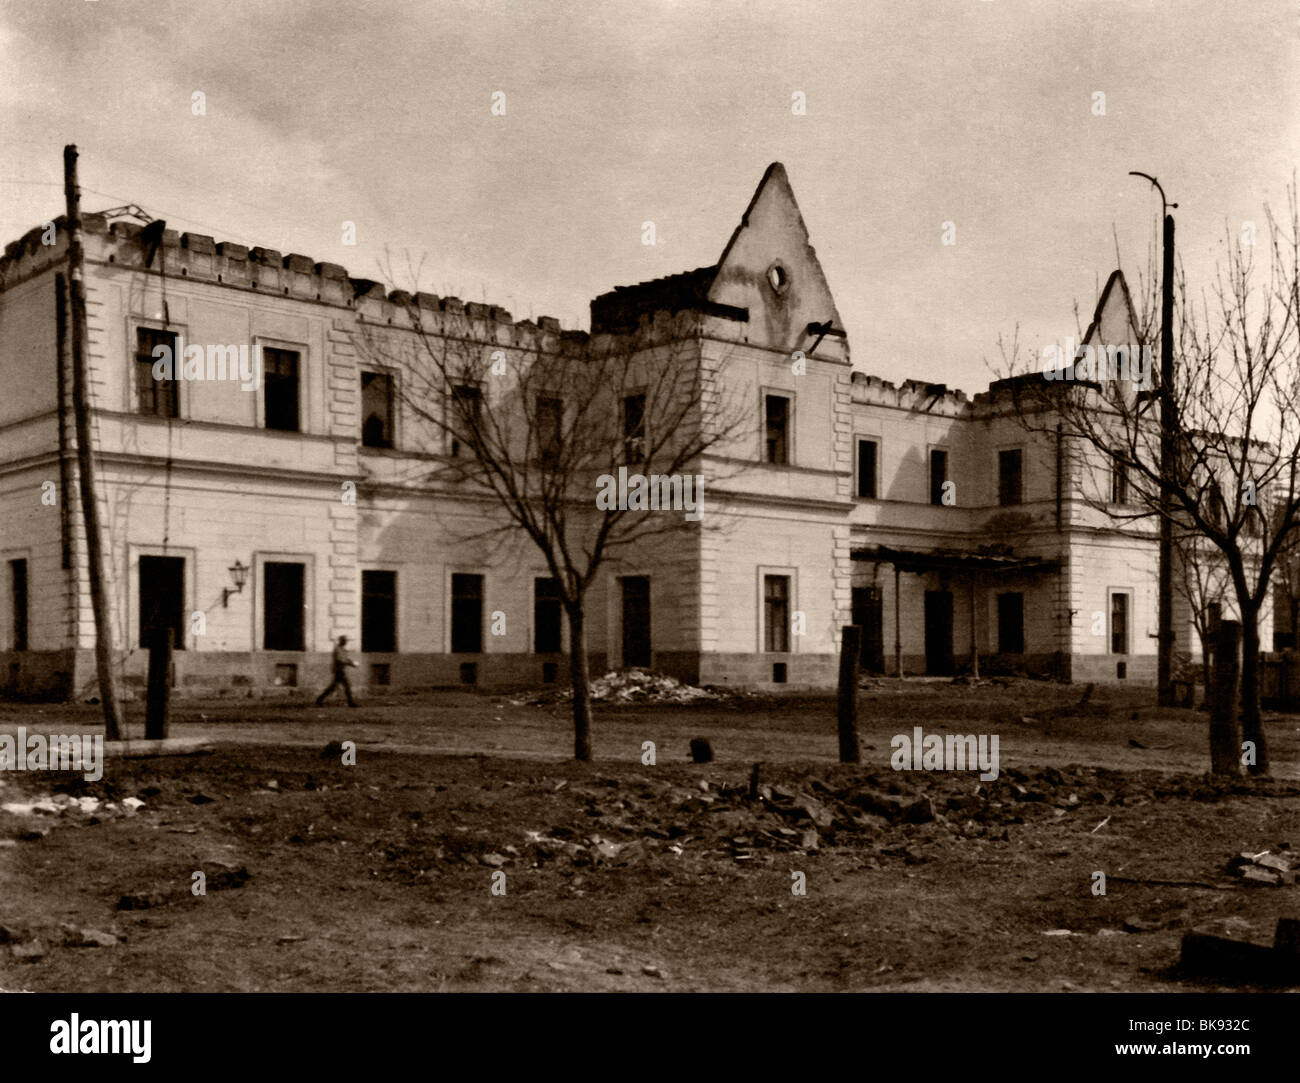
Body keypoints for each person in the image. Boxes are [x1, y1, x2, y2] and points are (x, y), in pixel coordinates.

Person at [317, 635, 359, 707]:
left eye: (346, 640)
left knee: (333, 687)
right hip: (339, 671)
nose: (346, 642)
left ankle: (319, 699)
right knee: (347, 686)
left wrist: (353, 664)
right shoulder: (338, 649)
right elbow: (340, 659)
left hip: (341, 670)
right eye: (344, 640)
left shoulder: (342, 649)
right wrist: (351, 663)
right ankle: (351, 702)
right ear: (341, 641)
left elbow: (346, 659)